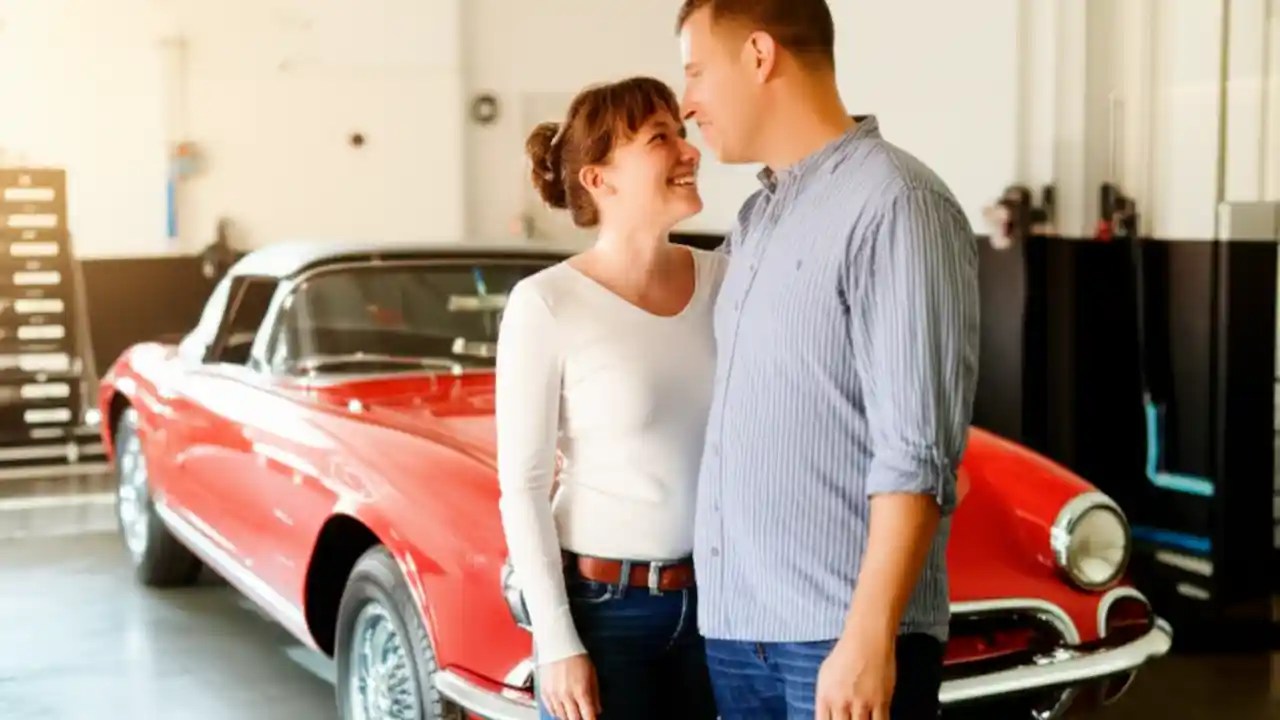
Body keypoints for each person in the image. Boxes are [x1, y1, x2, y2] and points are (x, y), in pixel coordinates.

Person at [675, 1, 980, 719]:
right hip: (739, 630)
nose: (687, 104)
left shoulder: (897, 202)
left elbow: (918, 450)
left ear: (758, 55)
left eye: (695, 73)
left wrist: (868, 633)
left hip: (837, 636)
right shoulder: (757, 220)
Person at [494, 76, 724, 720]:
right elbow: (524, 486)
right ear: (599, 179)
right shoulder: (547, 303)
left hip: (724, 607)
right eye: (660, 138)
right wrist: (556, 640)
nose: (688, 150)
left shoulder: (726, 277)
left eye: (682, 132)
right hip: (605, 612)